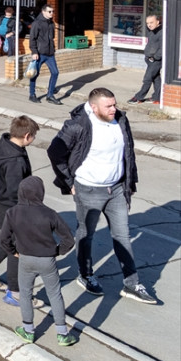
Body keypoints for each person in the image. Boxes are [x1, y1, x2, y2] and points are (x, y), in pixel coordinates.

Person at [47, 88, 156, 304]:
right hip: (88, 190)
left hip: (116, 189)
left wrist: (129, 182)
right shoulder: (79, 124)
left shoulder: (121, 120)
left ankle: (131, 283)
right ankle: (85, 274)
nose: (114, 109)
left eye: (114, 104)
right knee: (86, 234)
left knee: (122, 235)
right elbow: (54, 151)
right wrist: (69, 182)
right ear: (94, 107)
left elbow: (128, 153)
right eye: (109, 106)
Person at [0, 176, 77, 346]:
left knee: (25, 294)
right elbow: (69, 239)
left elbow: (4, 239)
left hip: (25, 259)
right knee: (55, 294)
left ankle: (28, 331)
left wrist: (14, 252)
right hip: (47, 260)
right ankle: (62, 334)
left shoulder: (12, 212)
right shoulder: (49, 213)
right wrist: (57, 251)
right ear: (41, 193)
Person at [0, 115, 43, 308]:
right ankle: (15, 292)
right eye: (34, 136)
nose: (34, 139)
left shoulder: (7, 143)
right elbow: (16, 192)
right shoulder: (16, 161)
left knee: (6, 239)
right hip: (10, 204)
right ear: (27, 135)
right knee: (17, 246)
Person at [28, 5, 61, 105]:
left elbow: (52, 37)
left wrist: (53, 49)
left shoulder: (51, 23)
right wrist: (34, 52)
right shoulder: (36, 23)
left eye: (53, 11)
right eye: (49, 11)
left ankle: (50, 95)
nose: (52, 13)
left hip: (50, 53)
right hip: (39, 53)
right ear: (43, 12)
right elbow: (32, 38)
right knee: (34, 74)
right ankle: (32, 94)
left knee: (55, 72)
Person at [129, 14, 162, 104]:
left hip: (156, 60)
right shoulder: (151, 31)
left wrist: (155, 57)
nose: (149, 25)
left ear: (158, 22)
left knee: (147, 78)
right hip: (149, 59)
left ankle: (138, 97)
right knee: (156, 78)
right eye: (147, 23)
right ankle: (157, 97)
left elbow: (163, 48)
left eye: (151, 22)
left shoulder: (162, 32)